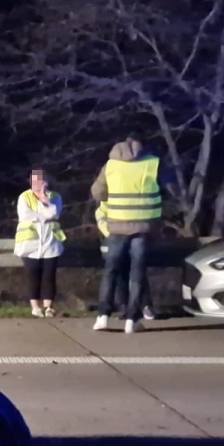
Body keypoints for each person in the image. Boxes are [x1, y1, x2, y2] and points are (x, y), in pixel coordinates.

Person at [90, 137, 174, 333]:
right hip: (143, 227)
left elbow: (97, 192)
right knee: (137, 273)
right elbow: (171, 187)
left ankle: (102, 316)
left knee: (111, 270)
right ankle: (132, 319)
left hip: (117, 226)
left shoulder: (111, 165)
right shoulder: (153, 163)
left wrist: (114, 195)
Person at [13, 168, 64, 317]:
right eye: (34, 180)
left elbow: (55, 214)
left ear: (46, 181)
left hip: (50, 243)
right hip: (30, 244)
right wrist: (45, 215)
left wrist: (45, 201)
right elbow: (25, 215)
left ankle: (48, 307)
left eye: (40, 179)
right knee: (32, 275)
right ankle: (35, 307)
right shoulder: (24, 197)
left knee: (49, 275)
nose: (37, 183)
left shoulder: (55, 197)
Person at [95, 202, 154, 321]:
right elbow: (101, 218)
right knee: (122, 273)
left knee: (136, 272)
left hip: (127, 235)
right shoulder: (105, 205)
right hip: (117, 238)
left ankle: (144, 306)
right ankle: (125, 308)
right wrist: (110, 234)